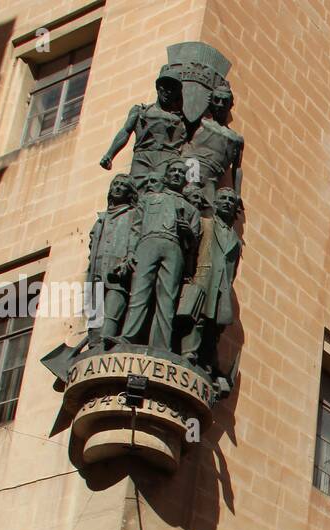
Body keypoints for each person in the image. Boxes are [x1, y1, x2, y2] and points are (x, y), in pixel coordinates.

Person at [122, 160, 201, 352]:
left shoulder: (191, 209)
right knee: (140, 292)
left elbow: (195, 240)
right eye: (173, 171)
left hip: (174, 248)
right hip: (148, 244)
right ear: (166, 176)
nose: (176, 174)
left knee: (167, 298)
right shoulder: (148, 199)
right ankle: (128, 337)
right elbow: (135, 228)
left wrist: (188, 232)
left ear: (185, 180)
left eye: (180, 173)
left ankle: (161, 345)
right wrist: (131, 251)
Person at [180, 188, 242, 384]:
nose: (226, 202)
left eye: (231, 201)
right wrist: (188, 275)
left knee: (213, 326)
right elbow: (191, 250)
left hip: (222, 286)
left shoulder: (236, 240)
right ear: (214, 204)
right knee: (196, 319)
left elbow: (233, 268)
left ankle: (206, 361)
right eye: (222, 199)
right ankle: (188, 352)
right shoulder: (204, 224)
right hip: (203, 277)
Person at [99, 75, 188, 188]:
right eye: (164, 87)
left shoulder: (180, 120)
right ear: (157, 87)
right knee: (136, 191)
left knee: (163, 191)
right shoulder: (140, 111)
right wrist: (109, 155)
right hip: (143, 157)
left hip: (167, 159)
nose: (168, 92)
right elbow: (125, 132)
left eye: (173, 89)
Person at [84, 174, 138, 347]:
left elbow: (135, 239)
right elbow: (93, 241)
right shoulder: (102, 218)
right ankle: (94, 343)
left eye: (123, 185)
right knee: (95, 315)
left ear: (129, 192)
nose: (118, 187)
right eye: (115, 184)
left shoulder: (133, 215)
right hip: (97, 270)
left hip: (117, 271)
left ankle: (106, 343)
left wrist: (128, 259)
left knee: (112, 312)